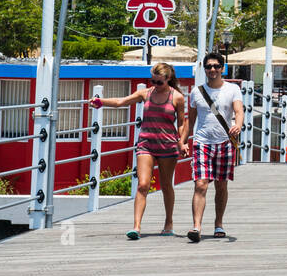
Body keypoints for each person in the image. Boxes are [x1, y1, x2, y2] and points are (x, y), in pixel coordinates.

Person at [93, 62, 186, 240]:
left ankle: (168, 222)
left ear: (168, 79)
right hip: (146, 144)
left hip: (167, 146)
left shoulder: (177, 97)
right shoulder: (146, 94)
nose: (156, 85)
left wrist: (182, 143)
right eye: (153, 81)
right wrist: (100, 102)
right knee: (143, 184)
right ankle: (136, 226)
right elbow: (122, 101)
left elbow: (182, 123)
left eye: (159, 82)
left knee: (166, 185)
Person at [181, 50, 244, 242]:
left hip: (224, 142)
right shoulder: (197, 92)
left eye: (216, 66)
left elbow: (239, 110)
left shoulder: (232, 89)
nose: (213, 69)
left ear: (222, 68)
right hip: (202, 142)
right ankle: (196, 227)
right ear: (204, 69)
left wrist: (238, 125)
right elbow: (189, 121)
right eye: (209, 66)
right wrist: (183, 141)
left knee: (221, 185)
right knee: (200, 184)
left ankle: (219, 223)